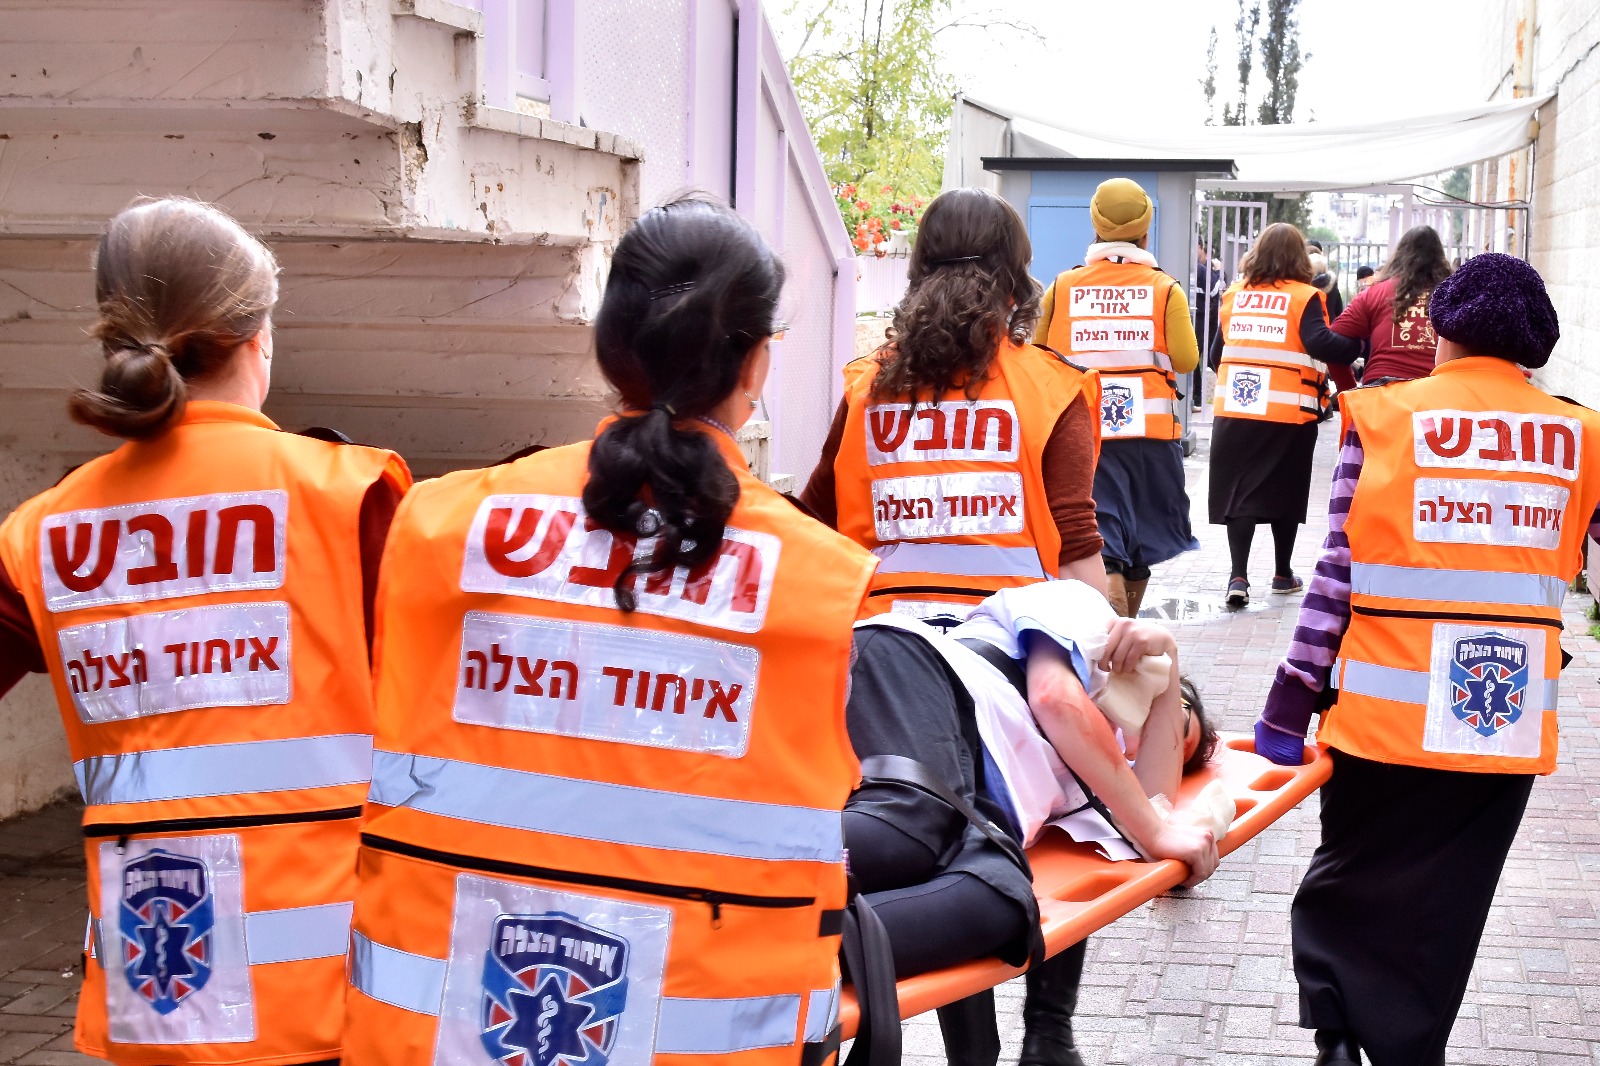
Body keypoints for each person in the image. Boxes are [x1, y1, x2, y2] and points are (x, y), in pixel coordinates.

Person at [340, 197, 878, 1064]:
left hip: (442, 1034)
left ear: (609, 347)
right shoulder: (820, 577)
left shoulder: (436, 522)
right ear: (756, 365)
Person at [0, 198, 412, 1064]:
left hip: (159, 989)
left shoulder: (41, 533)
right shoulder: (351, 497)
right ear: (257, 339)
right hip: (336, 995)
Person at [1253, 253, 1600, 1066]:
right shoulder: (1580, 434)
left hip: (1380, 711)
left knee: (1349, 869)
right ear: (1534, 345)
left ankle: (1336, 1034)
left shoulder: (1379, 416)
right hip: (1501, 716)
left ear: (1440, 328)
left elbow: (1335, 571)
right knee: (1449, 897)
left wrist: (1289, 700)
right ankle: (1411, 1046)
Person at [849, 581, 1221, 1065]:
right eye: (1176, 718)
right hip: (915, 676)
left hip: (961, 792)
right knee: (915, 829)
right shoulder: (1081, 612)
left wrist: (1168, 692)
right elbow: (1054, 698)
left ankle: (789, 935)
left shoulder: (1093, 782)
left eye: (1170, 743)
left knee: (1000, 900)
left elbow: (1155, 805)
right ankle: (737, 885)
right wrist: (1165, 656)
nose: (1144, 740)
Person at [802, 186, 1106, 627]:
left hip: (879, 647)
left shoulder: (866, 387)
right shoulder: (1054, 388)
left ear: (919, 271)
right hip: (1013, 648)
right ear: (1015, 278)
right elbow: (1075, 550)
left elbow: (814, 523)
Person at [1034, 178, 1202, 617]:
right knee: (1138, 543)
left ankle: (1111, 631)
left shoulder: (1063, 286)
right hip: (1148, 437)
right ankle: (1119, 630)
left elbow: (1036, 355)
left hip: (1083, 431)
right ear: (1146, 231)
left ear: (1094, 225)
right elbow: (1185, 360)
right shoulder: (1165, 289)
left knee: (1102, 536)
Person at [1209, 223, 1364, 606]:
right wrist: (1359, 343)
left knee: (1239, 492)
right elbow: (1319, 342)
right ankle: (1282, 574)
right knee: (1286, 489)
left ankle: (1238, 576)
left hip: (1238, 409)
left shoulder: (1235, 295)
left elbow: (1215, 355)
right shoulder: (1304, 296)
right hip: (1288, 412)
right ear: (1299, 257)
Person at [1329, 225, 1453, 384]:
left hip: (1381, 393)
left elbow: (1331, 343)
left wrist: (1347, 392)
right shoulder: (1453, 295)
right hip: (1437, 393)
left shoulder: (1375, 293)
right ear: (1440, 256)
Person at [1192, 239, 1225, 411]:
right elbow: (1217, 290)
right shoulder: (1200, 270)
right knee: (1196, 360)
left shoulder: (1200, 271)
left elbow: (1215, 292)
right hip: (1200, 320)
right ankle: (1195, 398)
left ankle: (1196, 398)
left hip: (1202, 321)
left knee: (1196, 360)